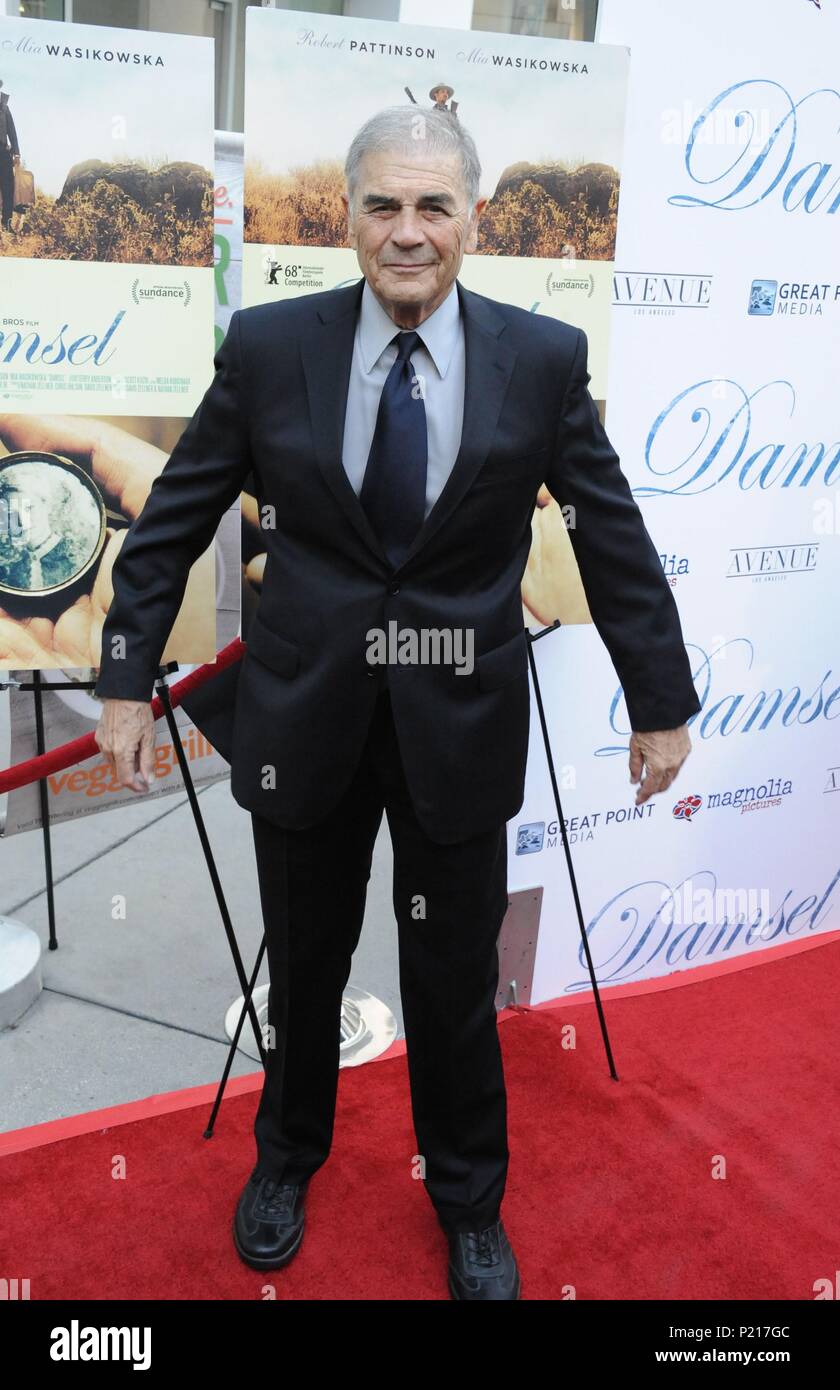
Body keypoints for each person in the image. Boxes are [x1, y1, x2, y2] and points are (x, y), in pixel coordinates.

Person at [93, 105, 701, 1301]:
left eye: (434, 207)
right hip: (306, 717)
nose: (408, 232)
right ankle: (287, 1158)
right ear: (349, 215)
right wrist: (124, 676)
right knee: (305, 968)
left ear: (474, 218)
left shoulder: (540, 357)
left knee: (451, 982)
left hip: (459, 725)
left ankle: (468, 1199)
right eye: (384, 205)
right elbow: (175, 514)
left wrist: (660, 696)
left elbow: (609, 534)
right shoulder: (272, 348)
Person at [0, 80, 20, 233]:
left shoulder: (4, 107)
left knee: (8, 189)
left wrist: (17, 152)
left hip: (4, 153)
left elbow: (12, 131)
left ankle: (6, 224)